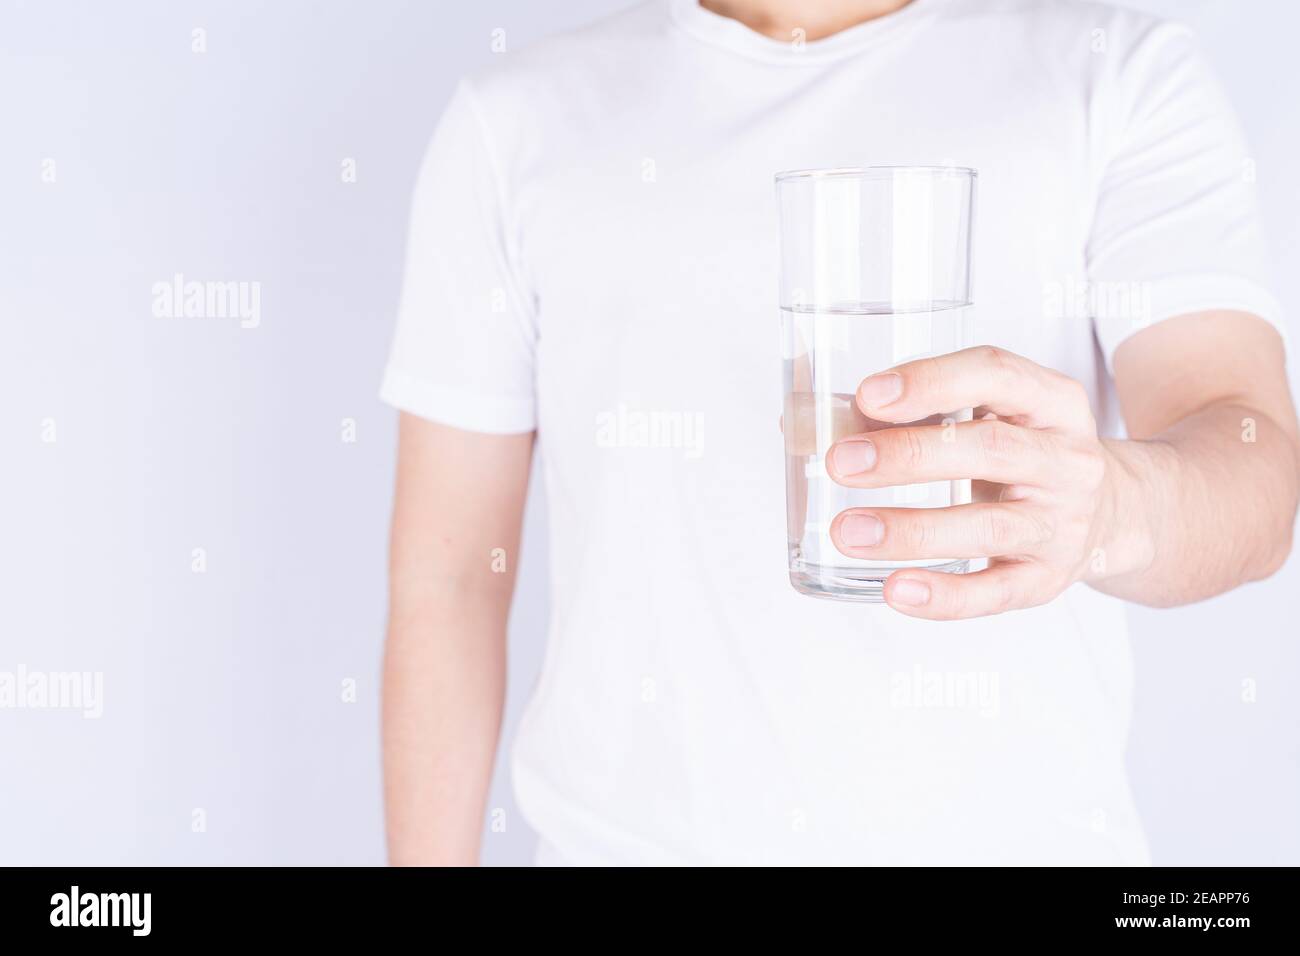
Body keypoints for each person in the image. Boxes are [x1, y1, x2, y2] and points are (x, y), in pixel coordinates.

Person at [379, 0, 1299, 865]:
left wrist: (1109, 509)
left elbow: (1252, 469)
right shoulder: (517, 122)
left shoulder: (1115, 69)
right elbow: (450, 579)